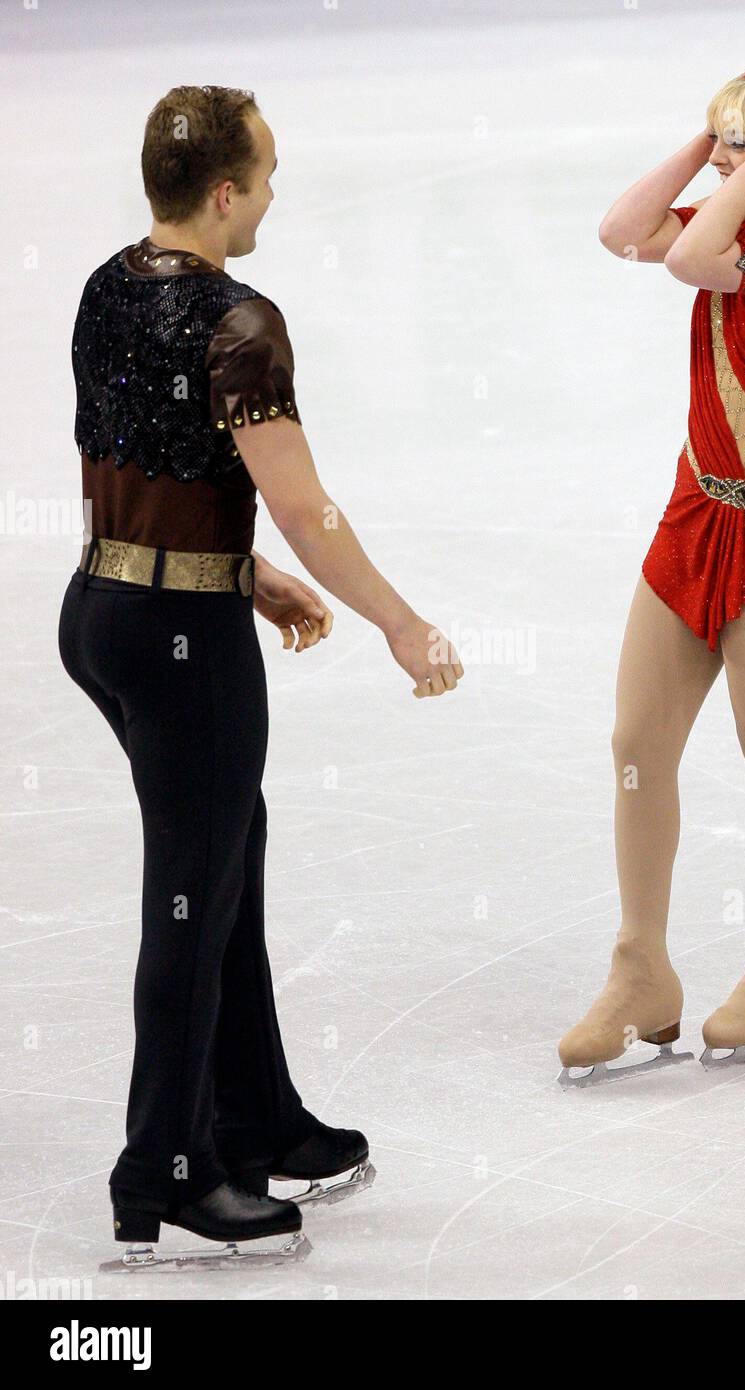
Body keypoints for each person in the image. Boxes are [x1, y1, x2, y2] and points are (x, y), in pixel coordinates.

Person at [59, 84, 463, 1259]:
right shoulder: (240, 319)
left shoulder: (104, 286)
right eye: (268, 174)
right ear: (226, 191)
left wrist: (241, 575)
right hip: (185, 644)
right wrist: (394, 620)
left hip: (104, 614)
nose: (275, 193)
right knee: (191, 889)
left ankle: (256, 1114)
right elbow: (302, 502)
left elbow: (126, 461)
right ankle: (166, 1172)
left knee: (227, 845)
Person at [557, 65, 745, 1081]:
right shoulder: (730, 219)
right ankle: (640, 967)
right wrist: (708, 148)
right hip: (696, 518)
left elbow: (689, 256)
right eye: (721, 141)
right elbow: (622, 232)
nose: (729, 160)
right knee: (637, 739)